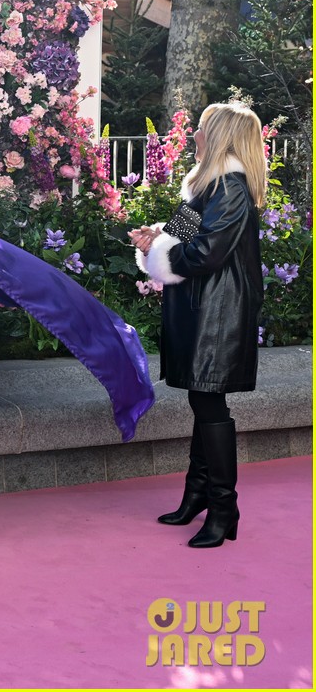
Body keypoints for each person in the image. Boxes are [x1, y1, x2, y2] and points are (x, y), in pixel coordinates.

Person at [130, 102, 267, 548]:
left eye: (202, 129)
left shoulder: (229, 185)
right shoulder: (207, 186)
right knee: (201, 398)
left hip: (218, 310)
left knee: (209, 402)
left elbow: (205, 253)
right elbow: (180, 235)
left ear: (220, 137)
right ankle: (198, 495)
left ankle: (224, 508)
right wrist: (155, 239)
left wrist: (163, 256)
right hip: (205, 306)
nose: (193, 136)